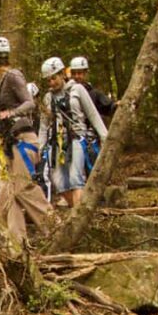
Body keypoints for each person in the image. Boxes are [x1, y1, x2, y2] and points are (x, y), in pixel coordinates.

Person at [0, 37, 52, 245]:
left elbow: (29, 103)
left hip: (22, 140)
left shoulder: (13, 75)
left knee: (23, 188)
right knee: (7, 195)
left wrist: (10, 113)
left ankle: (53, 227)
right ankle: (17, 243)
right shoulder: (2, 80)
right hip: (8, 145)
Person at [39, 57, 108, 208]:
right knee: (59, 182)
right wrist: (40, 148)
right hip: (56, 143)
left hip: (77, 138)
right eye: (48, 80)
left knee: (75, 178)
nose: (51, 82)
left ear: (62, 74)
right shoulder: (48, 98)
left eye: (54, 78)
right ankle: (78, 211)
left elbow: (92, 114)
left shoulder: (77, 90)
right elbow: (44, 126)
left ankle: (78, 220)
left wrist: (104, 136)